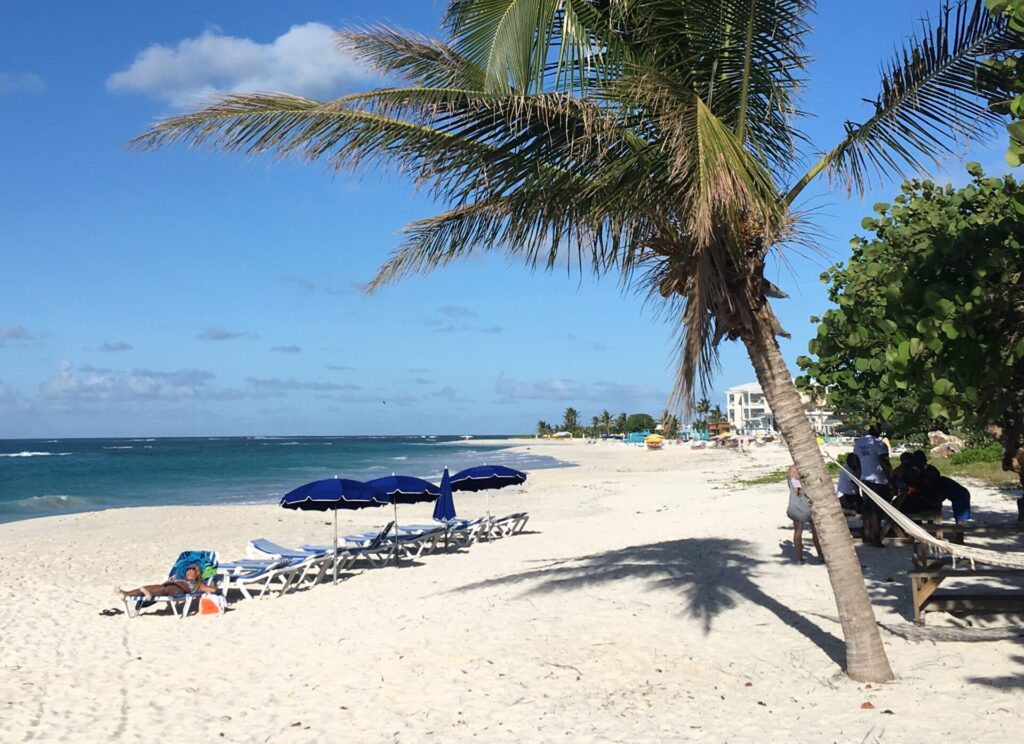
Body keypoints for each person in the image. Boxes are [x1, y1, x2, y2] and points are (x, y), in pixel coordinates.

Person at [853, 424, 892, 546]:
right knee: (876, 510)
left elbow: (855, 460)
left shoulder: (859, 442)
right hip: (878, 480)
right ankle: (876, 537)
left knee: (867, 509)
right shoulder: (879, 444)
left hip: (865, 479)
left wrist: (860, 474)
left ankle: (867, 534)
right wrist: (891, 480)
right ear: (878, 430)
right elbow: (884, 463)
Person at [117, 564, 217, 600]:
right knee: (156, 587)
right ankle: (126, 593)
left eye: (193, 569)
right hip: (170, 585)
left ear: (197, 573)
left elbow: (212, 590)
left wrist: (213, 582)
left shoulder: (199, 584)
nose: (190, 570)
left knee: (166, 588)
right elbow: (165, 583)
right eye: (189, 569)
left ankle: (150, 593)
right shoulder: (178, 577)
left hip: (180, 590)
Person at [786, 463, 821, 564]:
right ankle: (813, 555)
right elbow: (797, 489)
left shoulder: (793, 471)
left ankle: (800, 558)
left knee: (801, 531)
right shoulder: (794, 472)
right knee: (807, 531)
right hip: (800, 504)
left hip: (799, 504)